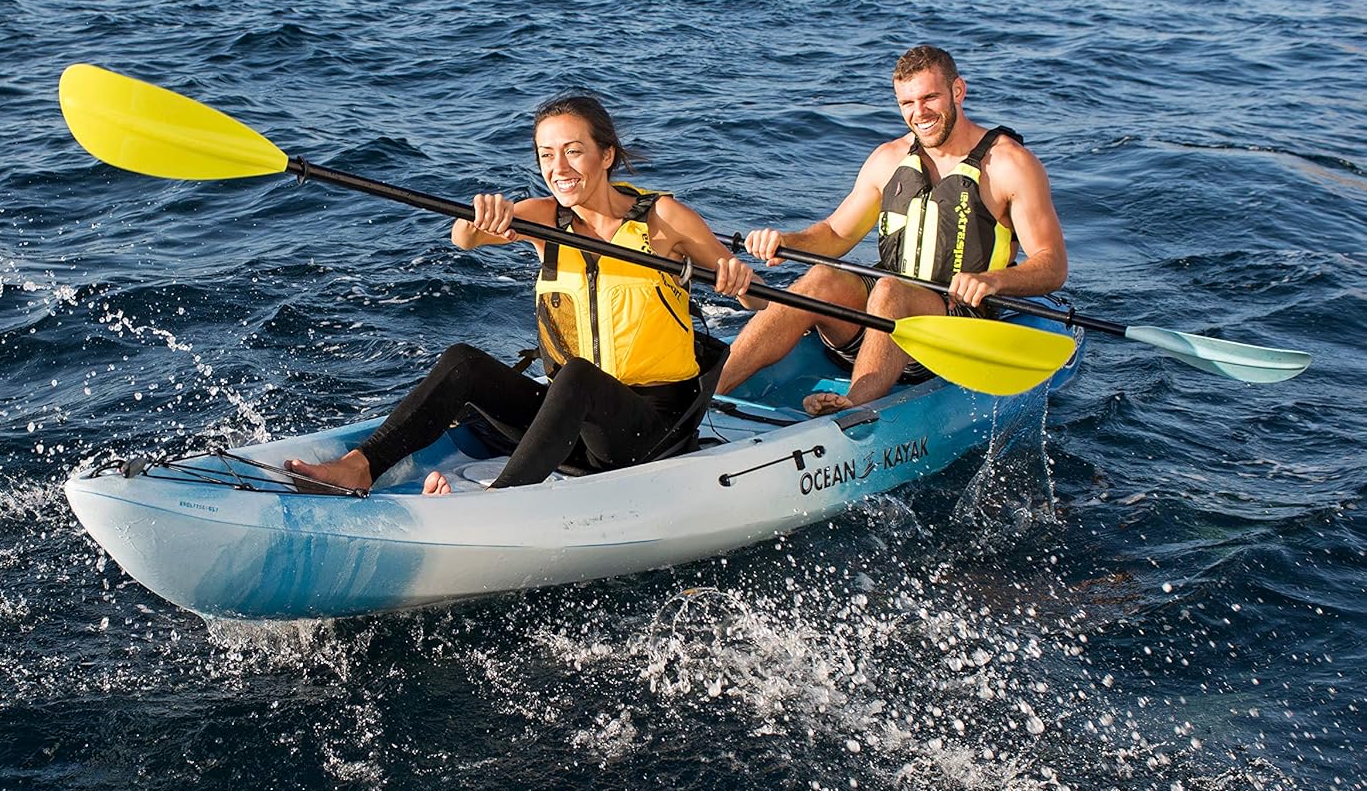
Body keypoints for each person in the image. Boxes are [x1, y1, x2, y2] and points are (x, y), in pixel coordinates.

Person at [287, 94, 756, 496]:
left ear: (606, 155)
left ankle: (500, 502)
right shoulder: (545, 219)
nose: (559, 168)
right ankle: (359, 467)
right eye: (546, 154)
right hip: (572, 430)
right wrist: (479, 219)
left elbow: (755, 298)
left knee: (577, 377)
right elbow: (464, 239)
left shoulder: (664, 219)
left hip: (647, 433)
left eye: (574, 151)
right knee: (464, 362)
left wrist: (740, 283)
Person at [717, 44, 1068, 414]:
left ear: (958, 91)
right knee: (822, 278)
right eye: (907, 103)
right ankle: (706, 393)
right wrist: (786, 240)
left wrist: (995, 281)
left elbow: (1052, 264)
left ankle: (852, 411)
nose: (920, 113)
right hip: (874, 326)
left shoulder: (1010, 165)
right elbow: (836, 235)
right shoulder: (888, 158)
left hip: (954, 335)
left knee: (889, 290)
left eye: (930, 97)